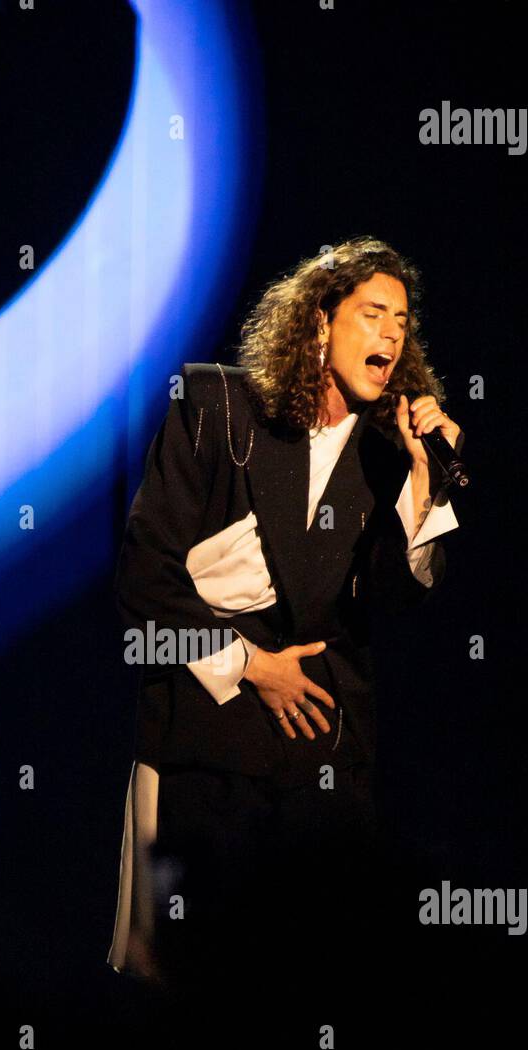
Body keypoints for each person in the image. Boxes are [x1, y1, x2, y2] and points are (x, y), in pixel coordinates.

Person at [107, 236, 464, 1011]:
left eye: (403, 323)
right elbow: (144, 574)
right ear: (318, 323)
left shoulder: (385, 456)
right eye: (373, 314)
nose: (392, 336)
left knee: (313, 991)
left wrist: (427, 479)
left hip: (319, 756)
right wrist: (247, 665)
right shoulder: (215, 406)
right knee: (190, 982)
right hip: (205, 738)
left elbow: (398, 600)